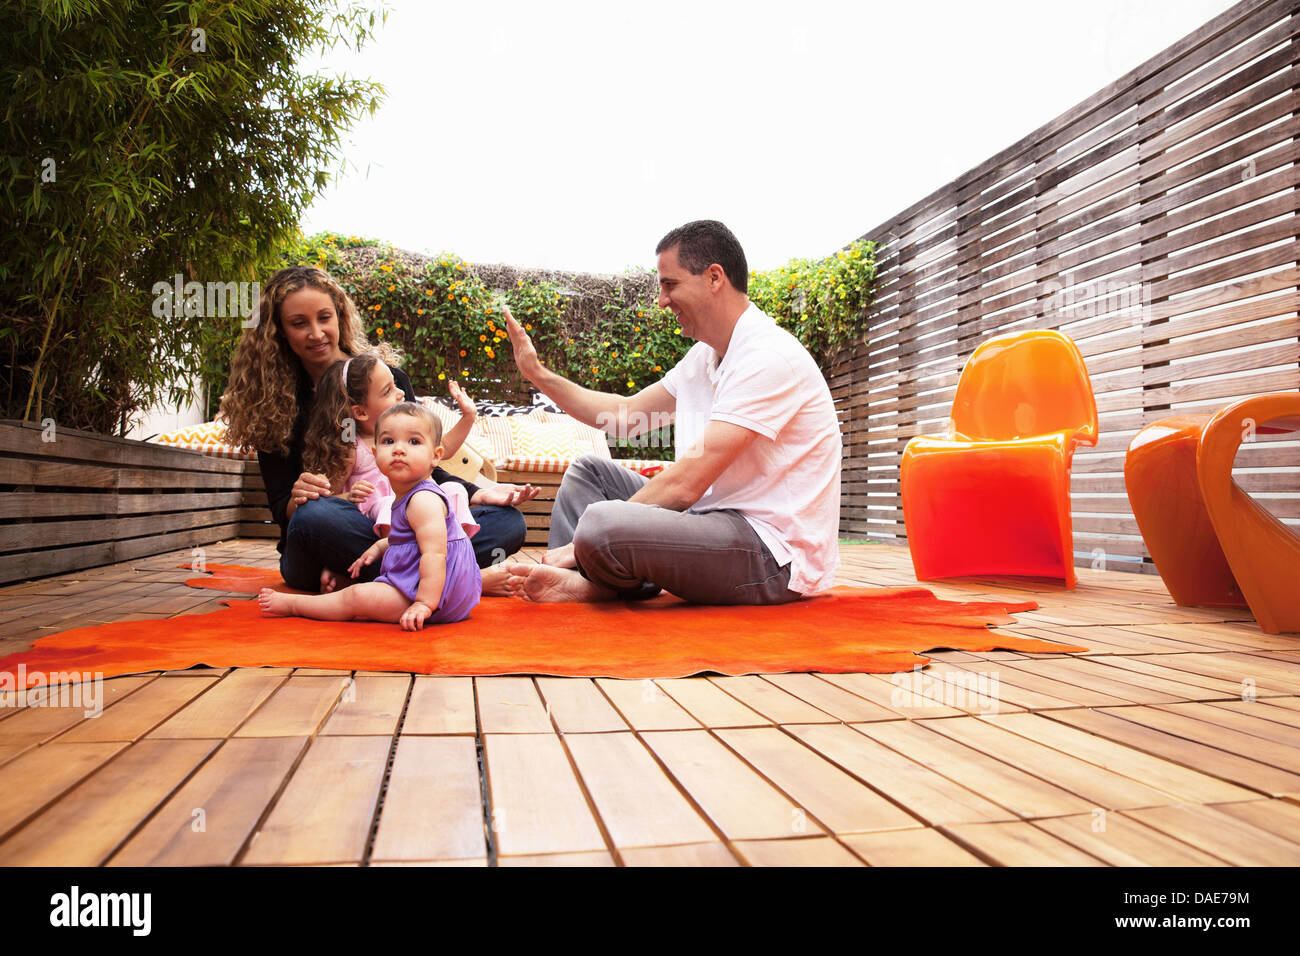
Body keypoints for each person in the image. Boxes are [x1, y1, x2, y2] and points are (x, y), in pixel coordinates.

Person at [501, 219, 842, 604]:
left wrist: (580, 542)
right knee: (588, 473)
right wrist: (538, 375)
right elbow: (625, 416)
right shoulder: (704, 357)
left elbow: (686, 484)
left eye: (670, 284)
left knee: (600, 522)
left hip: (772, 555)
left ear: (714, 277)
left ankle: (585, 574)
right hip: (711, 522)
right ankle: (588, 581)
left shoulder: (767, 357)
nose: (662, 299)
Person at [220, 265, 536, 594]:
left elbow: (423, 467)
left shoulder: (391, 379)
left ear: (339, 317)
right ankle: (455, 578)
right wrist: (300, 498)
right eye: (299, 323)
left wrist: (478, 494)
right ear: (279, 331)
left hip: (394, 531)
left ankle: (371, 577)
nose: (316, 333)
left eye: (324, 318)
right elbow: (283, 509)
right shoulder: (271, 404)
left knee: (507, 521)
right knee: (313, 517)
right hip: (337, 531)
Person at [258, 403, 481, 628]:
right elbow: (410, 540)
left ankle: (295, 605)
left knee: (356, 598)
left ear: (436, 456)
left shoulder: (423, 500)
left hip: (439, 597)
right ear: (375, 454)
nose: (399, 449)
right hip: (439, 591)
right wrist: (378, 548)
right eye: (388, 441)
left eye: (413, 442)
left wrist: (424, 603)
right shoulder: (408, 494)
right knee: (369, 590)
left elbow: (435, 554)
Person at [301, 350, 485, 589]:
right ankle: (406, 565)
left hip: (420, 522)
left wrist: (468, 416)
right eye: (388, 390)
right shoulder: (351, 447)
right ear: (360, 412)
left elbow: (444, 448)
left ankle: (455, 551)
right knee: (386, 504)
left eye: (396, 385)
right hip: (375, 527)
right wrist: (348, 497)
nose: (401, 393)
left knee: (454, 490)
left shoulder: (407, 431)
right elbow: (328, 501)